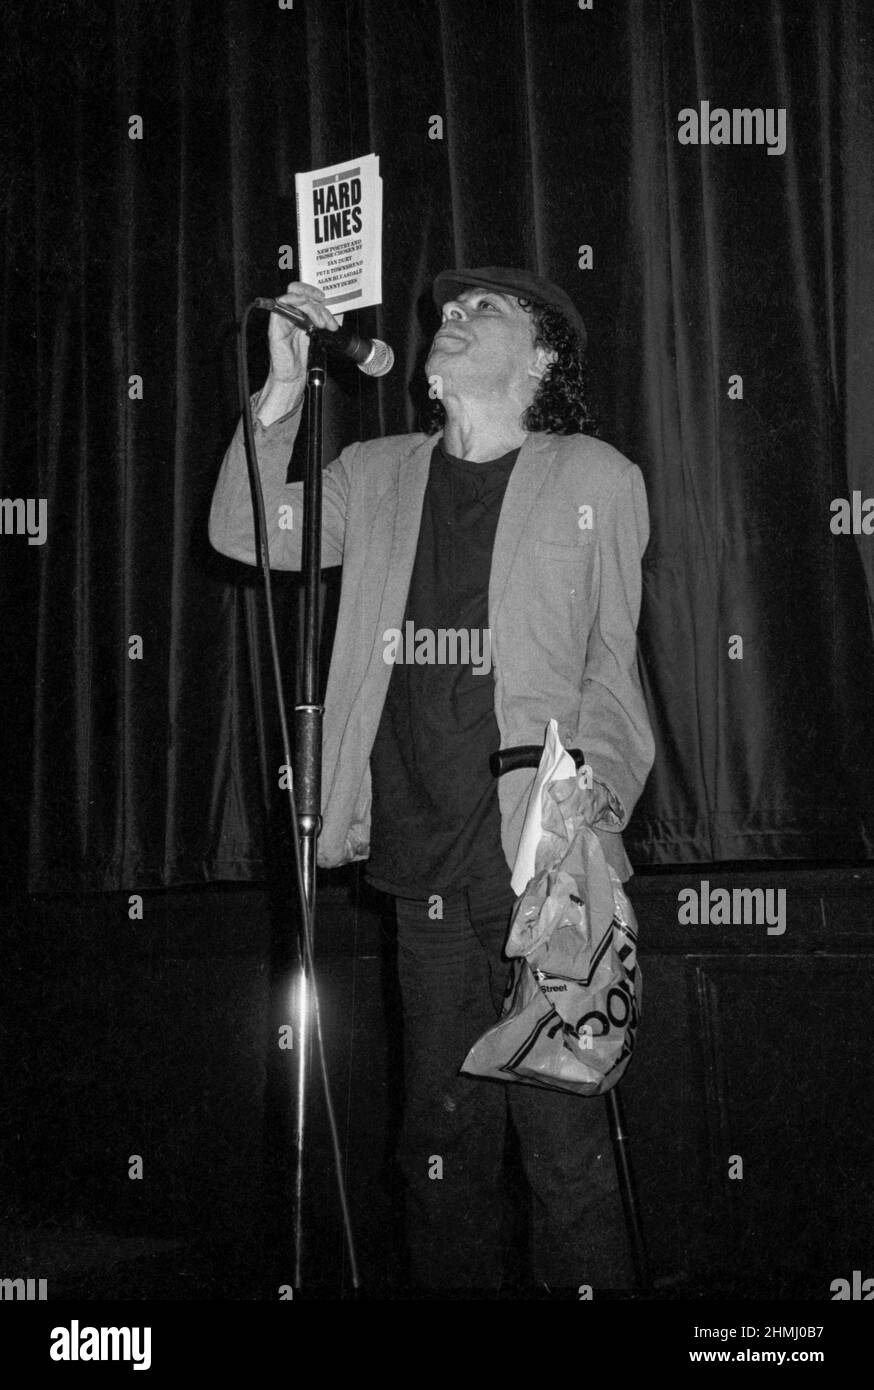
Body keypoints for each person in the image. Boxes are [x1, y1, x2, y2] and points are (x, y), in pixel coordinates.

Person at [209, 267, 655, 1294]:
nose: (450, 317)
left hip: (545, 866)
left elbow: (612, 672)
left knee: (566, 1158)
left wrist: (592, 803)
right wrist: (277, 394)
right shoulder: (373, 472)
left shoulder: (594, 475)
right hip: (422, 870)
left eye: (483, 310)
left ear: (541, 360)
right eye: (445, 309)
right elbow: (245, 534)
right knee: (439, 1158)